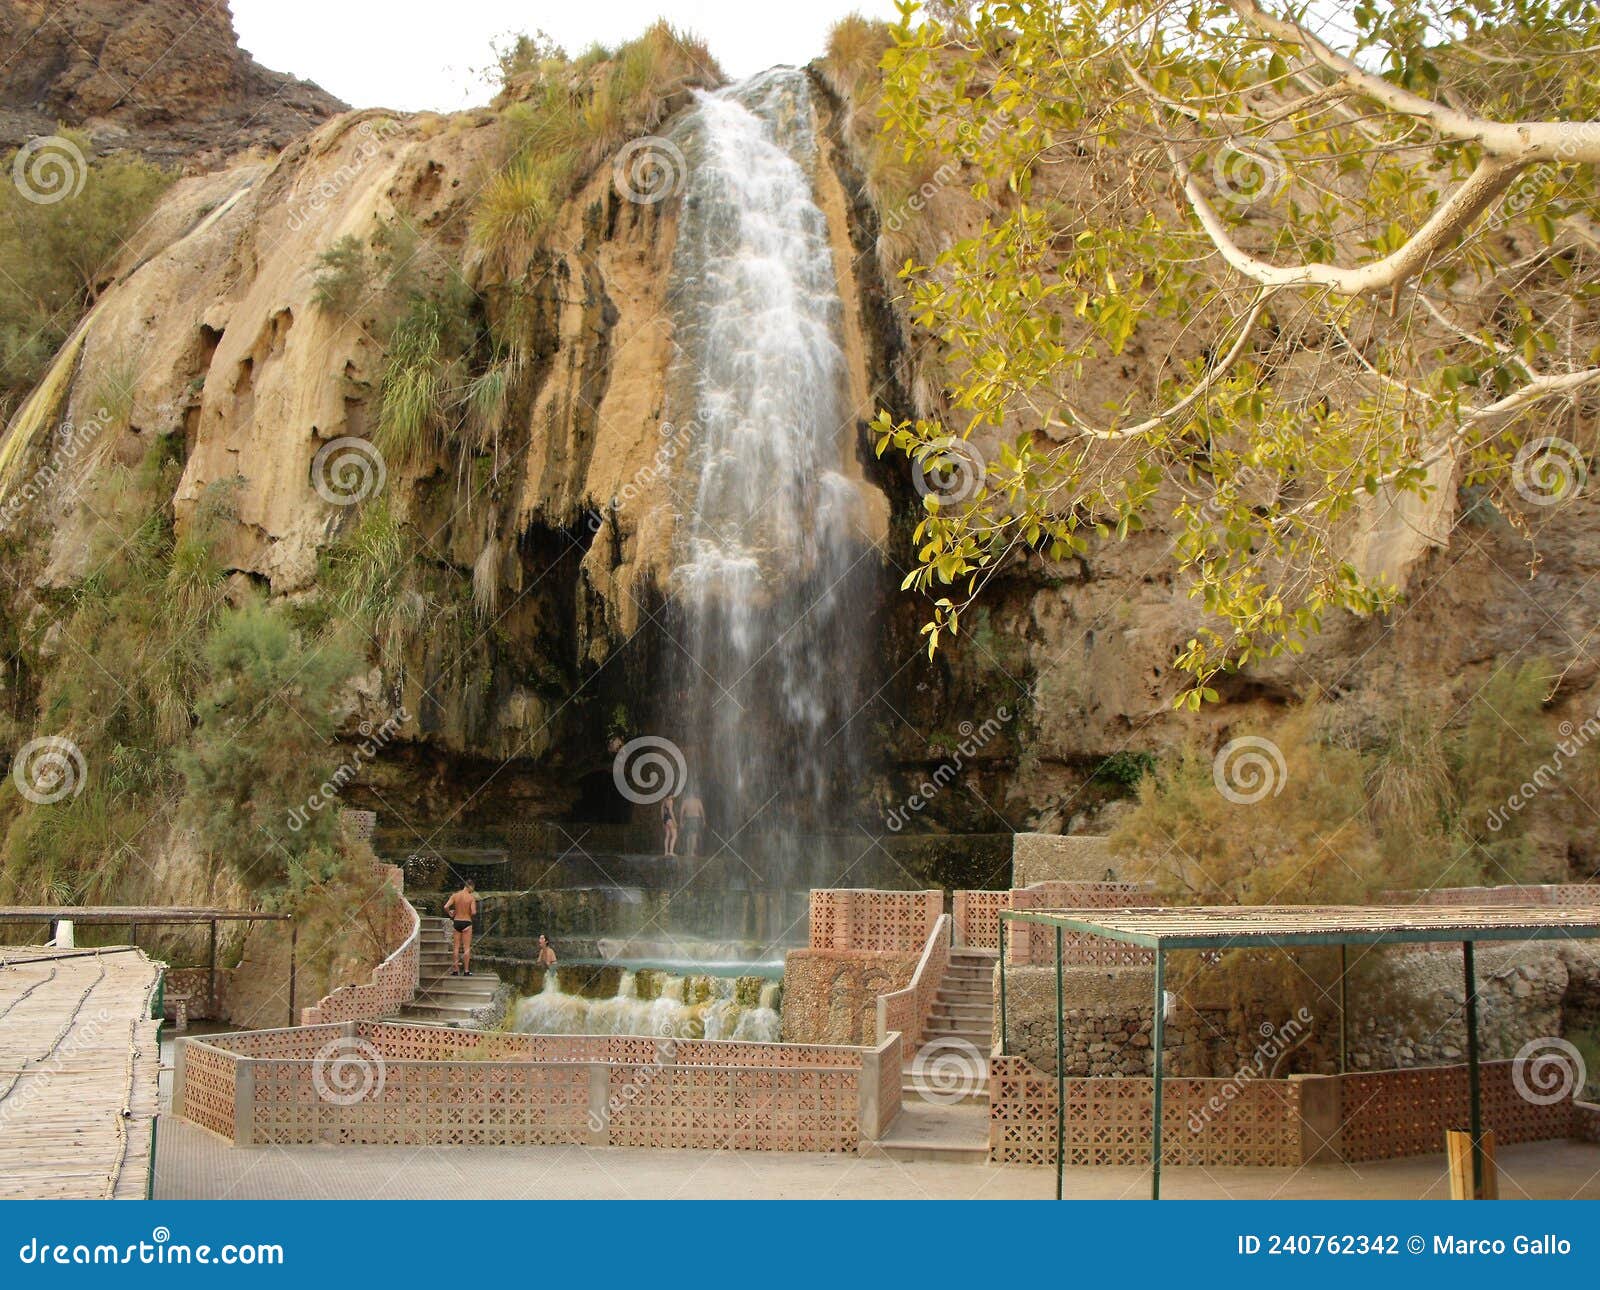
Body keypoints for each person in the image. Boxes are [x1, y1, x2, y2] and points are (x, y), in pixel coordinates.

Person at [443, 879, 478, 976]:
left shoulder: (455, 895)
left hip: (457, 922)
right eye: (473, 888)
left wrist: (450, 913)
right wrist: (469, 913)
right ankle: (466, 971)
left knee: (456, 947)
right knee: (466, 948)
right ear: (470, 886)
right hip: (467, 922)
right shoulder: (471, 898)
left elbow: (446, 906)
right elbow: (474, 912)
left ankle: (456, 970)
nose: (472, 890)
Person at [680, 790, 705, 857]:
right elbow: (702, 811)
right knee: (694, 836)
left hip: (688, 819)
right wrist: (704, 821)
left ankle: (688, 852)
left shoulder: (685, 801)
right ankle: (692, 853)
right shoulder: (698, 801)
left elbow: (681, 812)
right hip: (695, 819)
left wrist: (681, 822)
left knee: (688, 836)